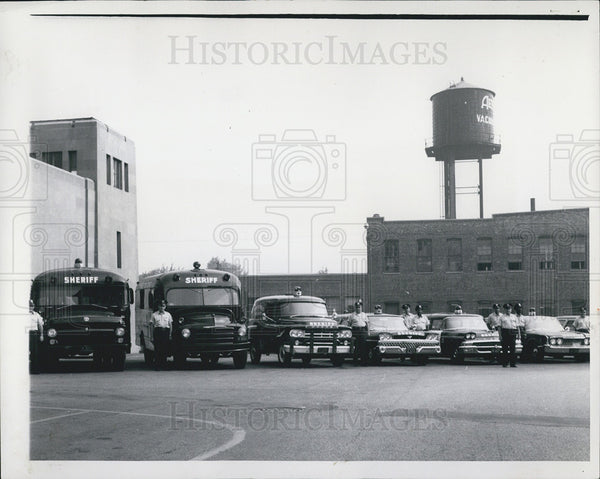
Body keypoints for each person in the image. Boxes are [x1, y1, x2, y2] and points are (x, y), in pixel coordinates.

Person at [151, 300, 173, 370]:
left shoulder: (168, 314)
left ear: (165, 307)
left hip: (165, 332)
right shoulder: (154, 315)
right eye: (160, 306)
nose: (162, 307)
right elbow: (152, 326)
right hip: (157, 332)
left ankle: (164, 365)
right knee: (157, 349)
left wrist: (170, 334)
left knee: (165, 349)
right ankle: (157, 366)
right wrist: (152, 336)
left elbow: (170, 325)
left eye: (163, 306)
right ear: (158, 306)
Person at [499, 303, 519, 368]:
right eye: (507, 309)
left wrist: (519, 334)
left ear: (511, 309)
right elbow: (499, 327)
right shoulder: (502, 317)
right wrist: (500, 335)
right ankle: (505, 363)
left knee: (512, 349)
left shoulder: (514, 317)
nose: (508, 310)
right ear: (505, 310)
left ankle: (513, 363)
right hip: (505, 332)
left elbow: (517, 326)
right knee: (505, 349)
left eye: (509, 309)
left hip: (513, 332)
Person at [28, 300, 44, 374]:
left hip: (34, 334)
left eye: (32, 306)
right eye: (29, 306)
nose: (31, 307)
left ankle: (35, 370)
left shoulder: (36, 315)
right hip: (25, 334)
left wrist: (41, 335)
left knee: (35, 352)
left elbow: (40, 325)